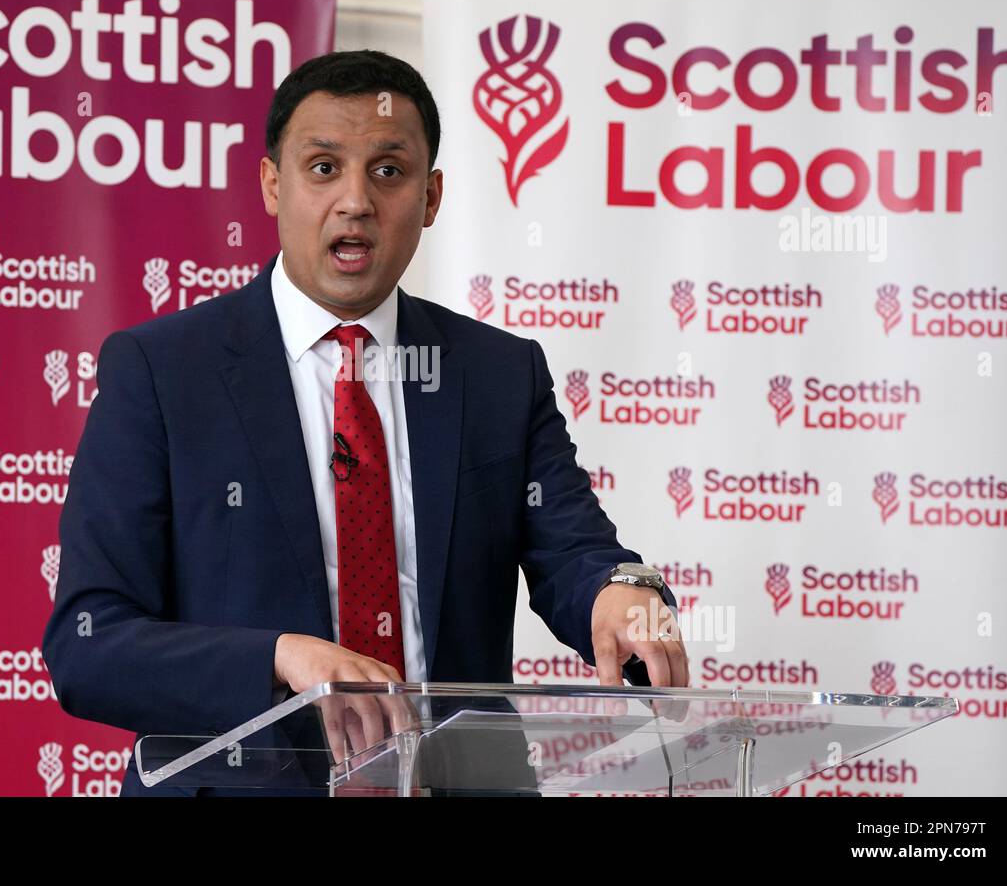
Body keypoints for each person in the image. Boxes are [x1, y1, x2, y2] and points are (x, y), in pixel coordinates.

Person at [42, 49, 688, 797]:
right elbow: (90, 645)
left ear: (432, 195)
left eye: (388, 171)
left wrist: (622, 591)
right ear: (271, 185)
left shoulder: (498, 375)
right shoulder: (161, 372)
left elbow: (577, 553)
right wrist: (279, 658)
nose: (355, 200)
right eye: (323, 168)